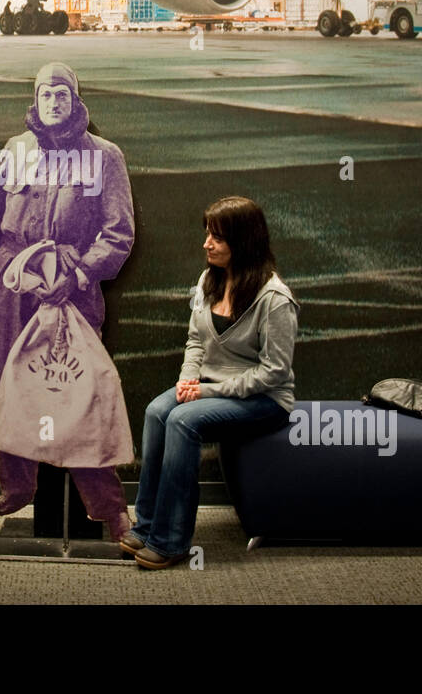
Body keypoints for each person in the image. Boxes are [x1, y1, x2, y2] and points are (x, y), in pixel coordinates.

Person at [0, 62, 136, 541]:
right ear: (35, 99)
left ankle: (109, 508)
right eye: (46, 94)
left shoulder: (105, 156)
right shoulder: (14, 152)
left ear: (75, 99)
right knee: (11, 384)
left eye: (62, 94)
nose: (54, 102)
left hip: (73, 289)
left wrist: (80, 274)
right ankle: (17, 485)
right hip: (11, 281)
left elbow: (118, 233)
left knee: (78, 396)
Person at [122, 196, 298, 569]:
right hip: (208, 387)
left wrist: (206, 391)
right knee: (157, 411)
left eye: (217, 237)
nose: (207, 244)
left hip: (265, 400)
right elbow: (196, 340)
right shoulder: (207, 281)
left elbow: (274, 372)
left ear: (243, 241)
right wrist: (188, 380)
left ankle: (171, 541)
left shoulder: (275, 299)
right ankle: (148, 524)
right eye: (207, 234)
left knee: (183, 421)